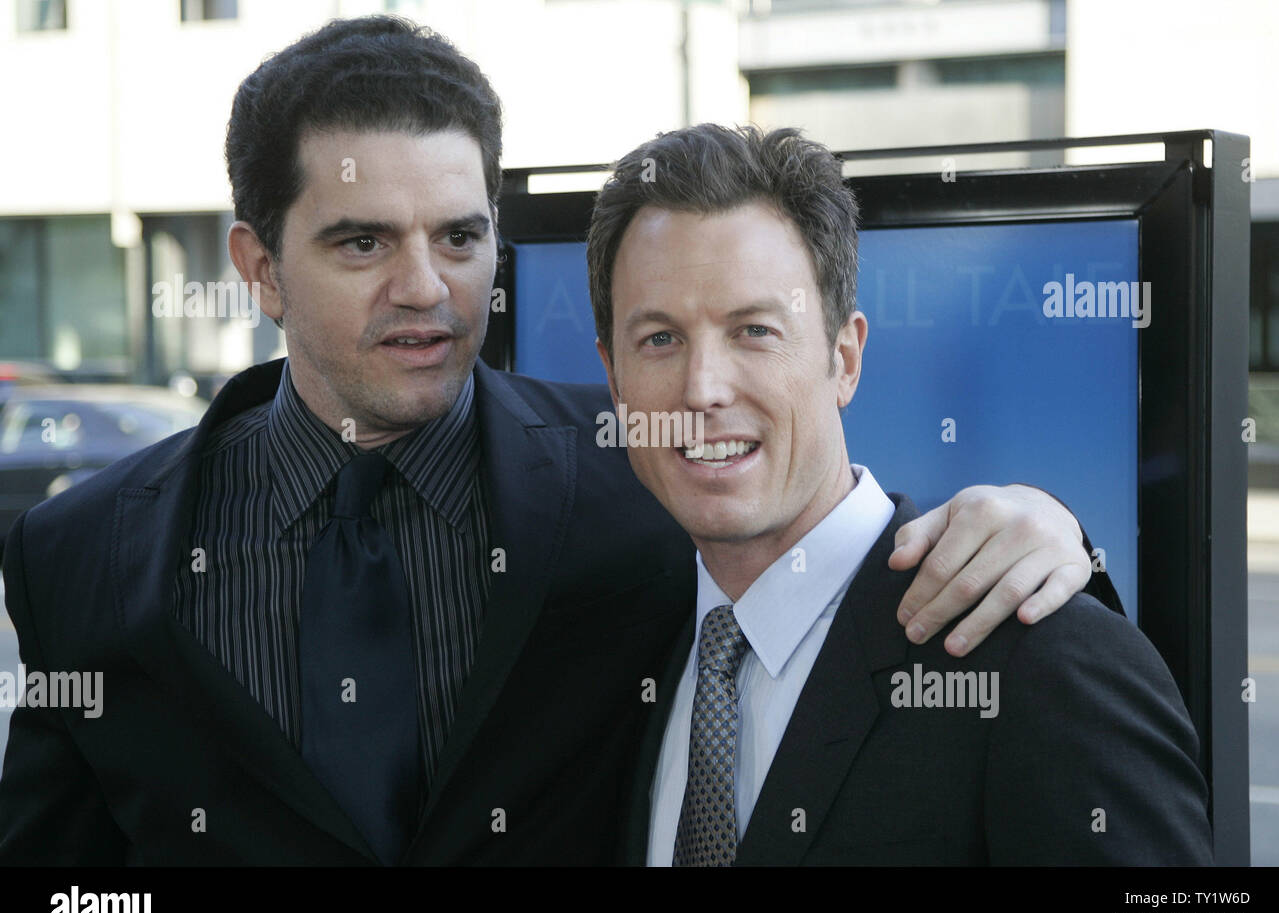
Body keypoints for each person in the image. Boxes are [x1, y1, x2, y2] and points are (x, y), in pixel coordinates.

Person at [0, 17, 1114, 866]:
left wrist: (1055, 530)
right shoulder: (84, 557)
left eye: (459, 235)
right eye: (360, 242)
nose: (425, 288)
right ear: (255, 266)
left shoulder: (646, 471)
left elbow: (837, 562)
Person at [588, 124, 1214, 865]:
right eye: (659, 339)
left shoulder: (1044, 662)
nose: (703, 389)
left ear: (844, 358)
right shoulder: (609, 658)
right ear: (614, 379)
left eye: (754, 330)